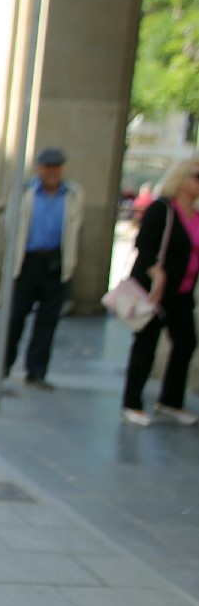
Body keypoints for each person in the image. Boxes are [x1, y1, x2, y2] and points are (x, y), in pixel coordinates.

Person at [121, 159, 199, 427]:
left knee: (186, 342)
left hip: (182, 292)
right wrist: (156, 271)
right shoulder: (162, 208)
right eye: (197, 176)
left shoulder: (196, 215)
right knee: (146, 345)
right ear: (181, 178)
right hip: (154, 291)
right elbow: (143, 244)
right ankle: (132, 403)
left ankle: (170, 401)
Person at [4, 146, 83, 391]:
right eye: (48, 167)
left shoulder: (73, 194)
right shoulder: (25, 191)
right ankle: (5, 363)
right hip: (27, 262)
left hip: (54, 263)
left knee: (48, 321)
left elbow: (75, 229)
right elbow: (10, 224)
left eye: (56, 167)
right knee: (16, 316)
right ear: (39, 168)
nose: (52, 172)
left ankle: (36, 370)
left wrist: (69, 264)